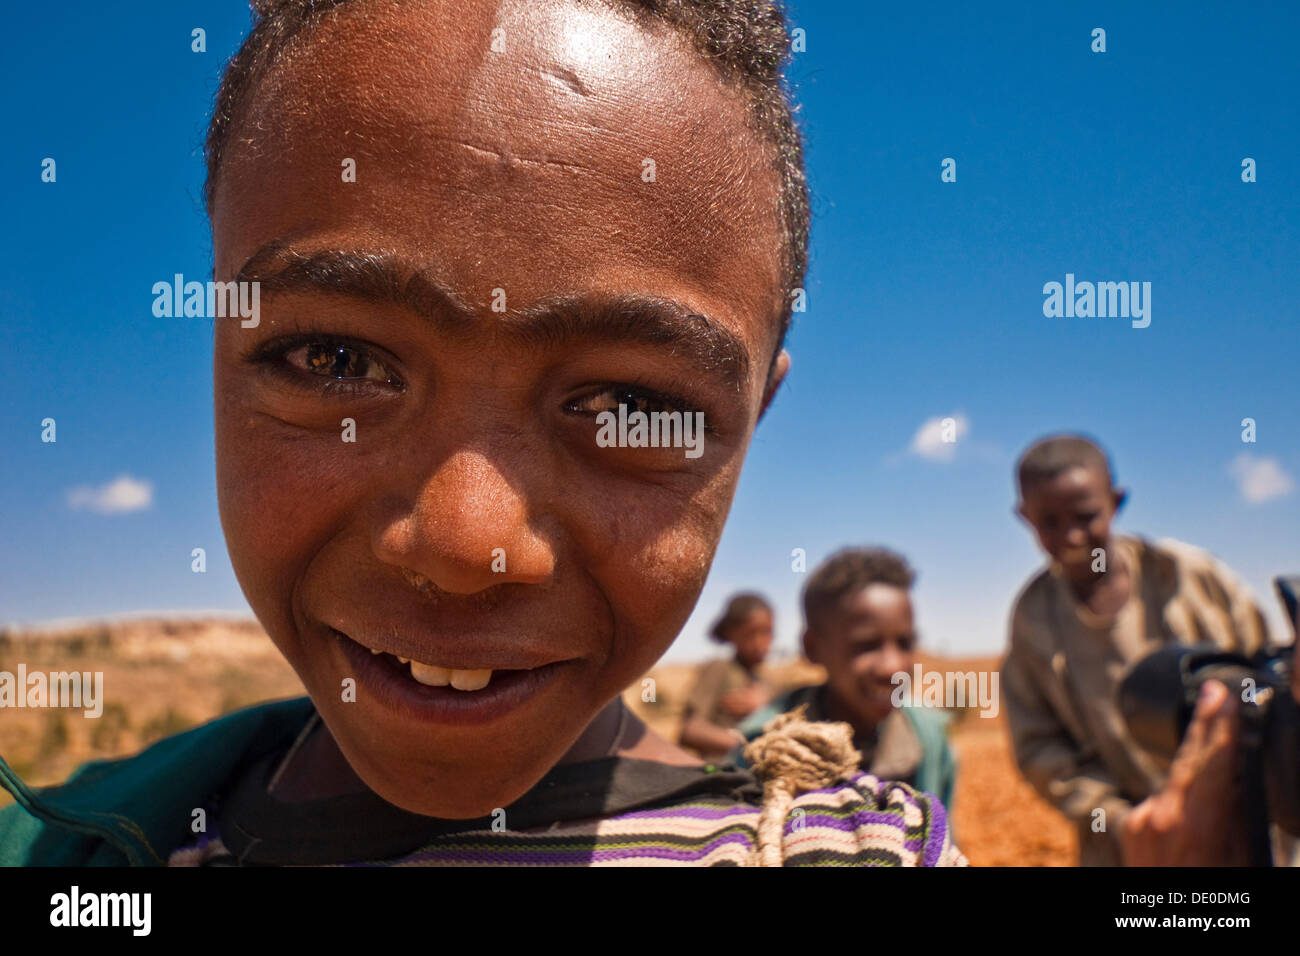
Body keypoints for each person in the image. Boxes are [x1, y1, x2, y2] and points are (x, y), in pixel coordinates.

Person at [0, 0, 965, 867]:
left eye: (629, 406)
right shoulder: (74, 838)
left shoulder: (828, 854)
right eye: (334, 360)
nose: (467, 546)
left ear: (752, 418)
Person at [1002, 433, 1273, 866]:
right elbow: (1039, 749)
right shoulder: (1032, 620)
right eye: (1049, 522)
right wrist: (1122, 820)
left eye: (1086, 515)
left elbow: (1266, 674)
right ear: (1025, 517)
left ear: (1117, 501)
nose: (1071, 536)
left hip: (1245, 827)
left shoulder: (1187, 577)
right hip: (1129, 849)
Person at [734, 548, 957, 811]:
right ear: (813, 648)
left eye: (905, 643)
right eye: (866, 646)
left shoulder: (928, 740)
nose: (893, 667)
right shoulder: (761, 747)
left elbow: (942, 841)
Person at [679, 594, 775, 760]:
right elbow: (690, 730)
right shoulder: (720, 669)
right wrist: (749, 745)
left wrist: (764, 709)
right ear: (731, 634)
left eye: (766, 632)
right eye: (750, 634)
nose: (760, 642)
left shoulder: (761, 679)